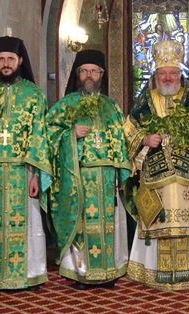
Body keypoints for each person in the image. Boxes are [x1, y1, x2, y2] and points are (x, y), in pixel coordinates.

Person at [123, 39, 189, 289]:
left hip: (186, 178)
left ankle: (185, 274)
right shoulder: (144, 103)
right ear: (155, 75)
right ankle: (155, 273)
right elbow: (127, 132)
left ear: (180, 74)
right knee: (159, 224)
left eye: (172, 73)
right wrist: (144, 139)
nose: (167, 78)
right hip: (155, 180)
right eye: (162, 73)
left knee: (183, 225)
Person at [0, 37, 51, 291]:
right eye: (1, 59)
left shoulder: (34, 95)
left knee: (26, 226)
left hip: (22, 170)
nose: (6, 64)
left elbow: (40, 135)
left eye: (11, 59)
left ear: (20, 61)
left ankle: (28, 274)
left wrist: (36, 174)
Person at [45, 50, 132, 287]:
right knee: (82, 225)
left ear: (102, 75)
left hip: (106, 176)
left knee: (108, 225)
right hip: (78, 176)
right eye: (85, 71)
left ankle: (108, 271)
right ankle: (81, 273)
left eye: (95, 71)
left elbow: (121, 142)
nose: (90, 75)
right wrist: (69, 135)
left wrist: (121, 175)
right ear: (77, 74)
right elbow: (47, 135)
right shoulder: (66, 105)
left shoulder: (111, 106)